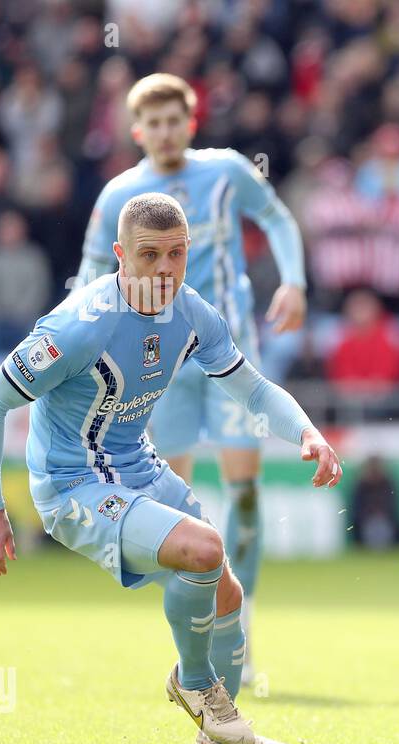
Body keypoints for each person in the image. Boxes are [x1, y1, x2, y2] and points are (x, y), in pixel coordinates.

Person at [0, 193, 341, 744]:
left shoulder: (192, 312)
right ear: (120, 254)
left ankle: (223, 737)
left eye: (177, 253)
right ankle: (193, 683)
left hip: (139, 467)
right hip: (74, 486)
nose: (165, 269)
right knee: (204, 549)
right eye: (150, 255)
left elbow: (255, 389)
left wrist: (307, 432)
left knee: (227, 595)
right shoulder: (78, 326)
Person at [76, 73, 307, 687]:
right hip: (154, 362)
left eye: (174, 120)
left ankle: (244, 624)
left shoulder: (227, 171)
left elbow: (279, 219)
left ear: (191, 121)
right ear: (136, 131)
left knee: (246, 491)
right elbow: (92, 273)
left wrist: (294, 281)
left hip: (228, 350)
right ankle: (196, 632)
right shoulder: (120, 196)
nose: (165, 131)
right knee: (167, 504)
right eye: (153, 123)